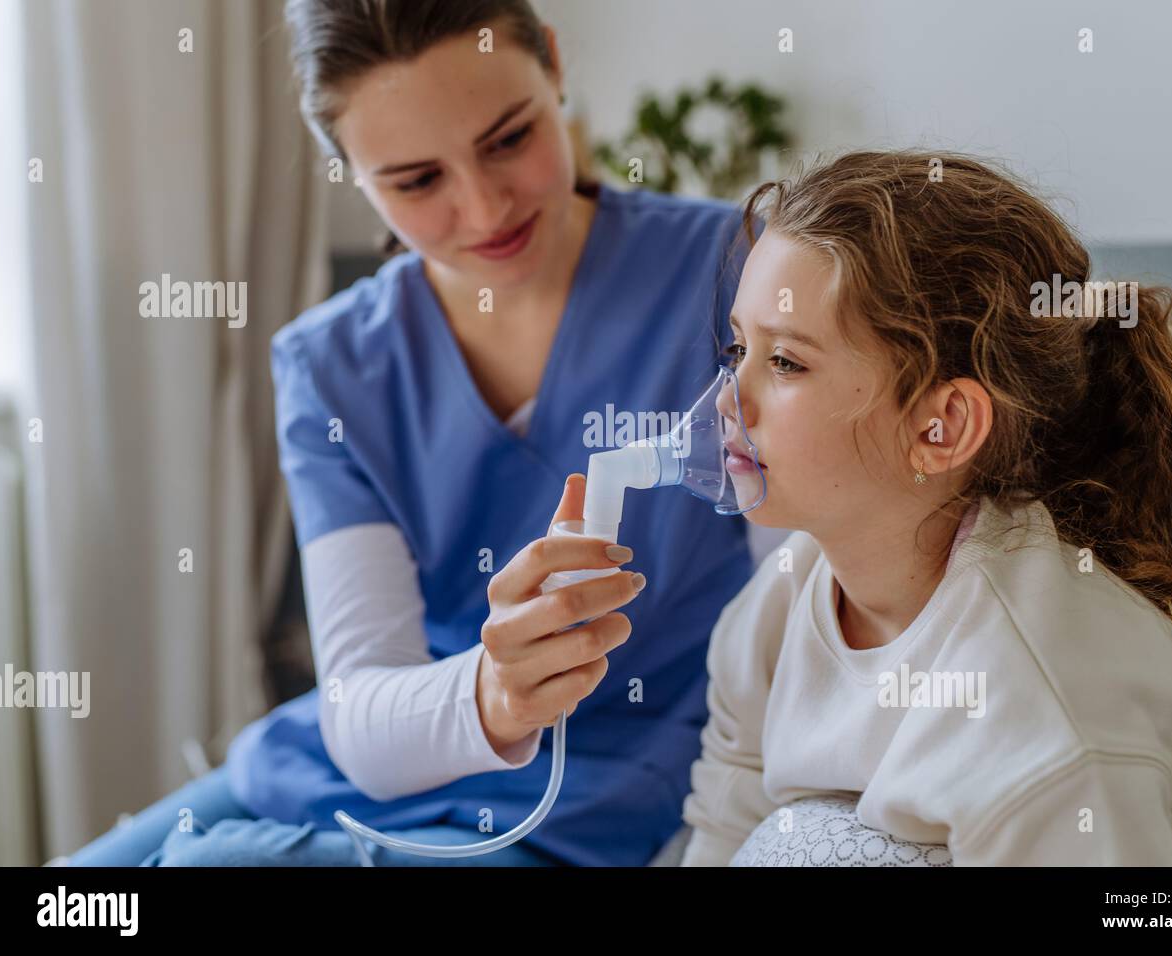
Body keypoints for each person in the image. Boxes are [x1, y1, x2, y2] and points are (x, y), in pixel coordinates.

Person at [70, 0, 777, 867]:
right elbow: (364, 705)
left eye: (509, 138)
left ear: (552, 65)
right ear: (349, 172)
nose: (483, 210)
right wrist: (493, 690)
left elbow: (813, 585)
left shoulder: (737, 276)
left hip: (591, 790)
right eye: (415, 181)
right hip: (379, 747)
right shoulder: (332, 366)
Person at [680, 149, 1172, 865]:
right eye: (737, 347)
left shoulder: (1047, 708)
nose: (728, 400)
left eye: (785, 362)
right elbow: (724, 827)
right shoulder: (777, 612)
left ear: (943, 428)